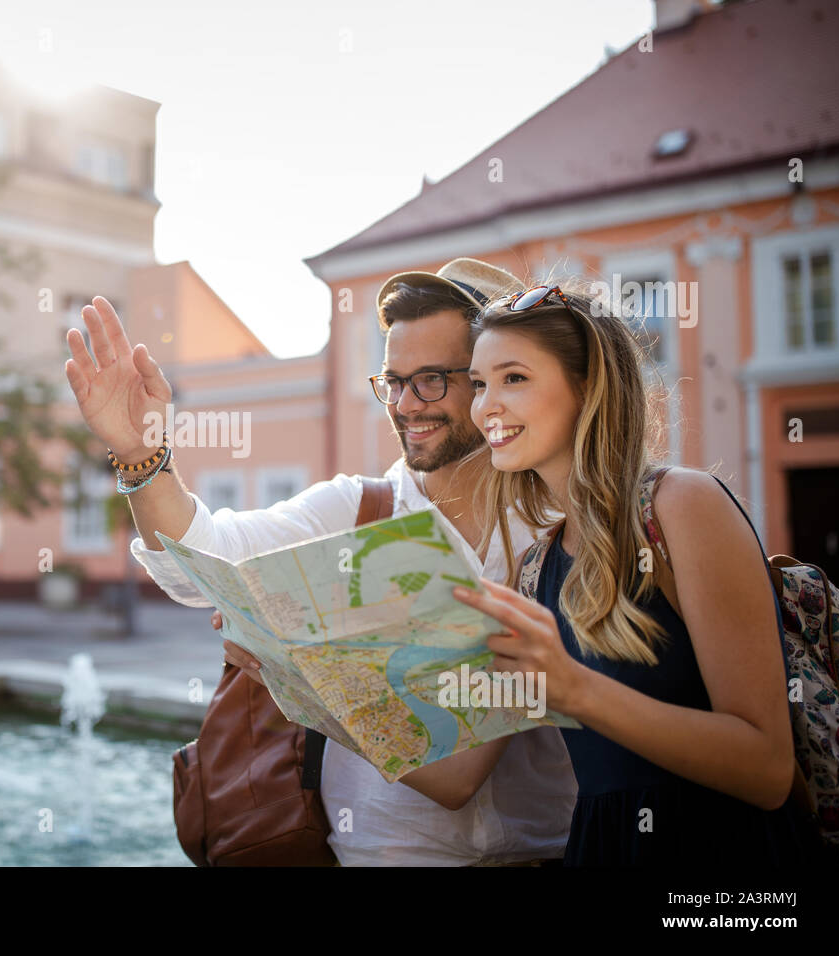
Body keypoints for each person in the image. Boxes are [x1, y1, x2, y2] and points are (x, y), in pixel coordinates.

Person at [64, 259, 578, 866]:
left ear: (494, 380)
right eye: (393, 380)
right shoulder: (358, 509)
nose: (406, 405)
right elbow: (198, 560)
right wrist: (140, 454)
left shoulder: (564, 530)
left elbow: (460, 775)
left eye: (432, 379)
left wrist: (297, 678)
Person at [452, 280, 831, 865]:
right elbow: (455, 782)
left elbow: (767, 770)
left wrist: (577, 688)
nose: (486, 406)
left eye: (514, 378)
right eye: (479, 384)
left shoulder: (682, 506)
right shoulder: (533, 569)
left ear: (587, 388)